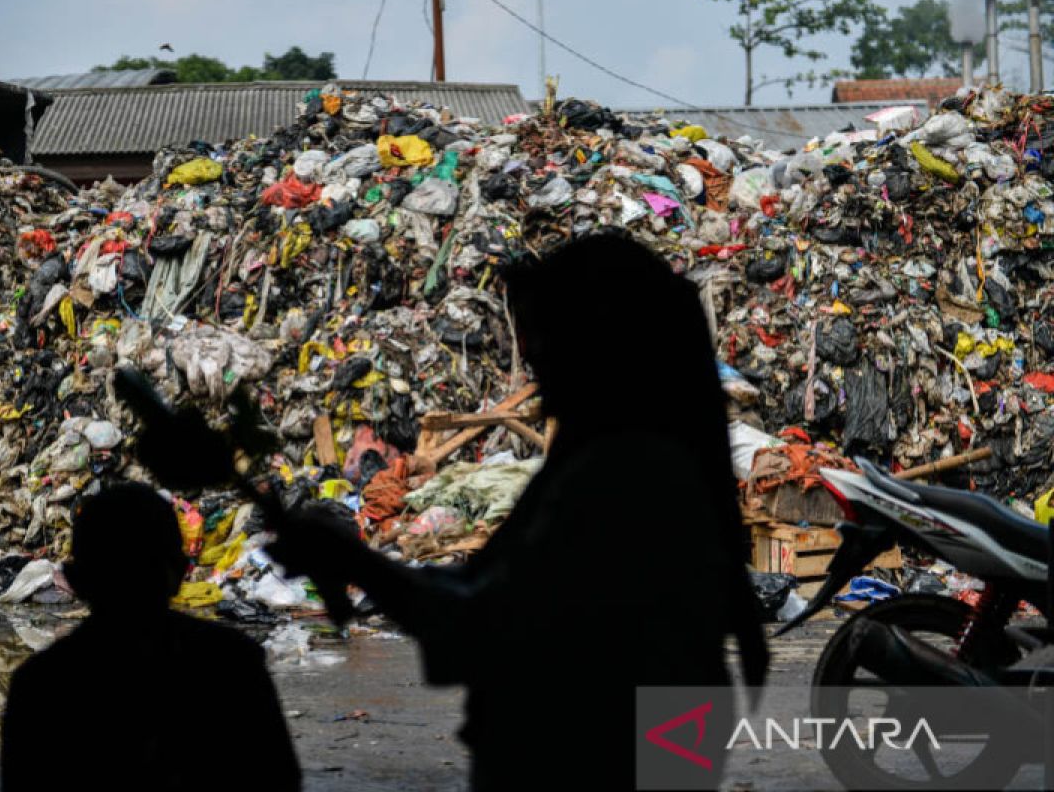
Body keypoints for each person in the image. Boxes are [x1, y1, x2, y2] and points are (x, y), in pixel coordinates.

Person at [267, 232, 769, 790]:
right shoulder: (638, 464)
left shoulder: (624, 478)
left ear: (605, 346)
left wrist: (359, 566)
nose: (531, 358)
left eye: (549, 337)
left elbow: (488, 621)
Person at [1, 483, 300, 792]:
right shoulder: (232, 664)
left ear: (77, 581)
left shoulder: (40, 687)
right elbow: (281, 780)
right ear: (180, 572)